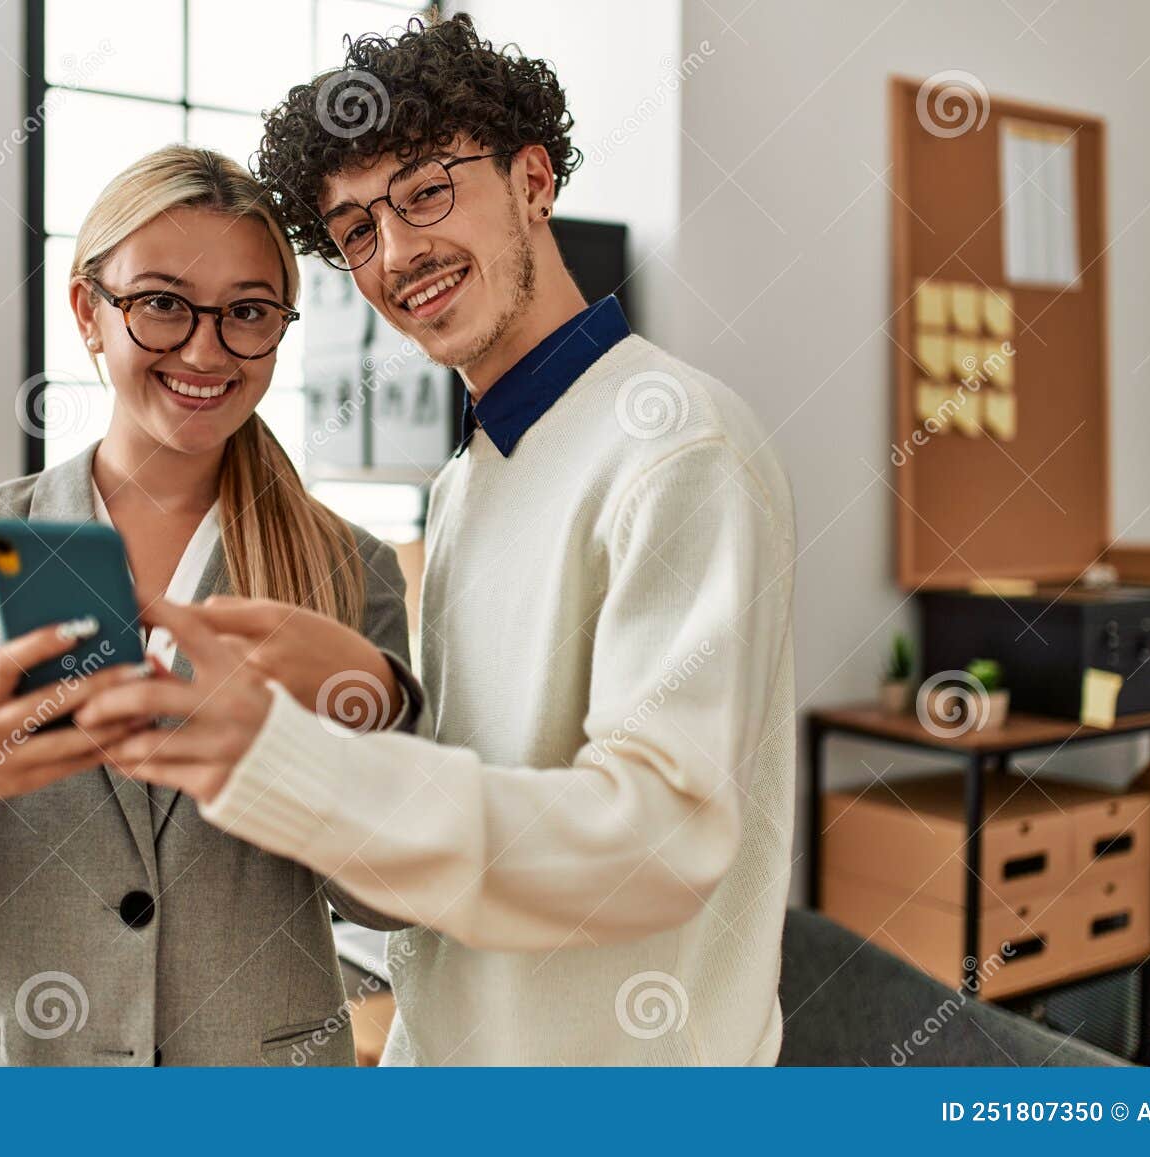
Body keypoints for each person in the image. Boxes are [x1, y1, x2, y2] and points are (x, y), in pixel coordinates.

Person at [77, 14, 798, 1065]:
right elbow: (494, 789)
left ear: (534, 179)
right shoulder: (471, 477)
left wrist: (293, 765)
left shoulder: (676, 444)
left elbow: (658, 840)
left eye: (424, 190)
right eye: (357, 228)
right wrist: (371, 688)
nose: (399, 251)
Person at [0, 144, 419, 1066]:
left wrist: (349, 727)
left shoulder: (346, 570)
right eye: (161, 302)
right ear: (89, 311)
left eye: (247, 312)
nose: (206, 348)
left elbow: (396, 898)